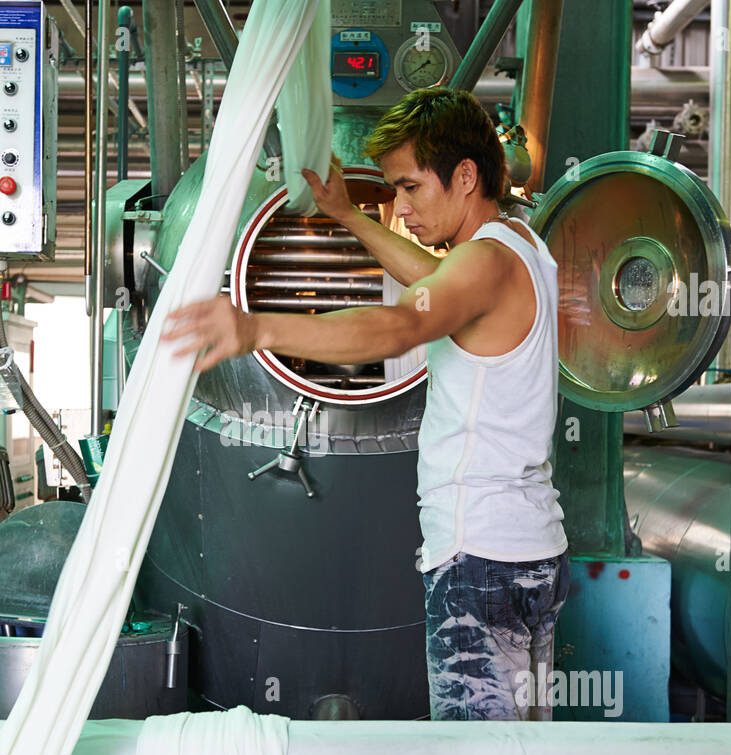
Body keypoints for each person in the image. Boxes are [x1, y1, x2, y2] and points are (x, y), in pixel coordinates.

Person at [162, 88, 569, 721]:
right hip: (530, 549)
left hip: (480, 560)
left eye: (410, 188)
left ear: (465, 176)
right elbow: (432, 284)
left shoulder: (484, 263)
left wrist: (255, 329)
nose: (402, 209)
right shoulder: (519, 249)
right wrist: (352, 217)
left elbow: (400, 326)